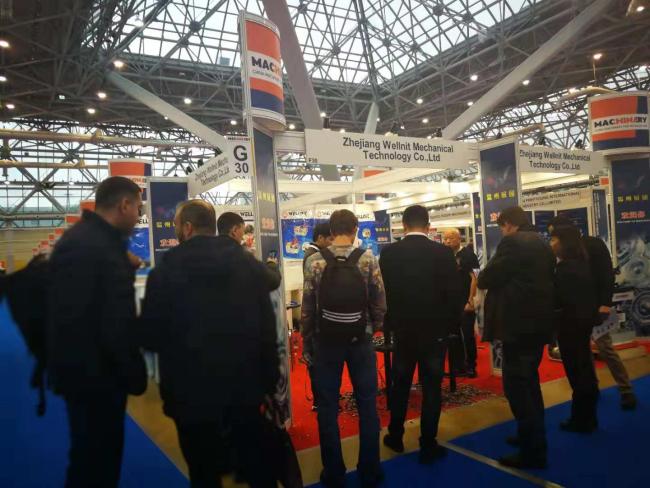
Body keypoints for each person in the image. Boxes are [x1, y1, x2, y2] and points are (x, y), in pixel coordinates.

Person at [139, 200, 280, 488]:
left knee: (203, 473)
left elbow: (151, 337)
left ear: (187, 228)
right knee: (258, 469)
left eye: (176, 226)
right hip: (245, 391)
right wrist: (269, 382)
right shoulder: (246, 262)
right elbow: (268, 329)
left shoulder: (164, 272)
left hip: (191, 397)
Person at [47, 176, 147, 488]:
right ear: (124, 204)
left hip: (81, 371)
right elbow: (114, 323)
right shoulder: (98, 248)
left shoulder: (85, 240)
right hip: (96, 377)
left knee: (90, 456)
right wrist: (135, 375)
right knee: (96, 462)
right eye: (138, 208)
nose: (139, 217)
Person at [302, 209, 386, 488]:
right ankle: (370, 470)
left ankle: (334, 472)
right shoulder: (367, 258)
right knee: (367, 404)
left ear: (331, 230)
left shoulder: (314, 261)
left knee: (327, 407)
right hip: (360, 340)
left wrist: (307, 340)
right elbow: (379, 301)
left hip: (325, 341)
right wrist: (371, 328)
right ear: (355, 229)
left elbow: (308, 307)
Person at [380, 206, 461, 464]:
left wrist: (390, 324)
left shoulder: (389, 253)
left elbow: (384, 294)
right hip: (435, 332)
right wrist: (449, 326)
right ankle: (428, 443)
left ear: (404, 226)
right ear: (428, 226)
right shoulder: (443, 253)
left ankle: (395, 435)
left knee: (400, 384)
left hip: (403, 331)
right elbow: (455, 294)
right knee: (432, 388)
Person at [477, 206, 555, 469]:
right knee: (530, 384)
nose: (502, 232)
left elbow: (486, 277)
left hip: (518, 325)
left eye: (502, 227)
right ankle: (530, 437)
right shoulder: (542, 243)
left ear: (509, 224)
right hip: (537, 324)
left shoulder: (513, 243)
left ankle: (533, 450)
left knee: (518, 389)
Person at [548, 215, 637, 410]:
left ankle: (625, 389)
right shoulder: (566, 253)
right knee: (583, 352)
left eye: (554, 236)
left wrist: (604, 303)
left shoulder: (592, 245)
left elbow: (606, 274)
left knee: (605, 348)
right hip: (577, 312)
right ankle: (591, 388)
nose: (552, 240)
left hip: (596, 308)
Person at [550, 226, 600, 432]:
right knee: (584, 369)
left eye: (553, 239)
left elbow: (560, 300)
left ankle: (581, 419)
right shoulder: (581, 264)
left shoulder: (565, 269)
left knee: (577, 372)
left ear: (564, 243)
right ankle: (586, 417)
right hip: (582, 324)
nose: (551, 244)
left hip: (570, 326)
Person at [302, 222, 333, 411]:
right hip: (317, 320)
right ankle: (320, 401)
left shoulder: (314, 254)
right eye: (329, 239)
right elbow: (310, 296)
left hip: (318, 320)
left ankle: (323, 399)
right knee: (317, 365)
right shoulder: (312, 257)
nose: (332, 243)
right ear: (320, 238)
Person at [443, 228, 480, 377]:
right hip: (450, 302)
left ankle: (471, 365)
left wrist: (471, 299)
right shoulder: (445, 256)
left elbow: (474, 278)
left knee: (468, 334)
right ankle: (457, 366)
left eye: (451, 238)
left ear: (459, 239)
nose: (447, 241)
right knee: (453, 335)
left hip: (465, 300)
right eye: (445, 238)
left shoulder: (469, 255)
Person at [218, 211, 281, 290]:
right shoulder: (241, 256)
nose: (243, 236)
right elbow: (272, 281)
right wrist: (272, 264)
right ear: (234, 230)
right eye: (243, 231)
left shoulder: (210, 253)